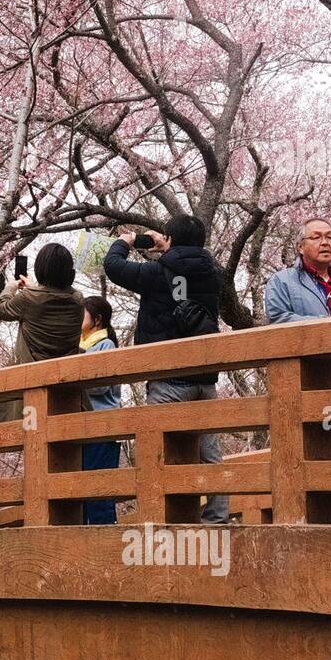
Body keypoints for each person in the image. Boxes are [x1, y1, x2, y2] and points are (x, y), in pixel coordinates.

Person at [103, 214, 229, 524]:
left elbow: (114, 267)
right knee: (208, 452)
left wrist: (126, 241)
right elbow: (184, 274)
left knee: (156, 451)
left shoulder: (158, 273)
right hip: (204, 377)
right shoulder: (212, 272)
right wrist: (168, 248)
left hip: (169, 380)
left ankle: (165, 520)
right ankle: (217, 518)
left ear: (170, 240)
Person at [265, 217, 331, 470]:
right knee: (309, 462)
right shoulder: (282, 281)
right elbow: (278, 320)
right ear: (300, 246)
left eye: (330, 237)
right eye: (317, 237)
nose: (325, 243)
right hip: (304, 384)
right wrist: (324, 324)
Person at [0, 242, 85, 423]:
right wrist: (33, 287)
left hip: (33, 381)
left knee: (34, 433)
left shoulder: (29, 299)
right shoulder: (78, 301)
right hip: (65, 385)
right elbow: (49, 297)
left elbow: (1, 310)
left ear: (41, 269)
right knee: (65, 437)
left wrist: (11, 287)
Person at [79, 295, 122, 524]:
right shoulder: (81, 346)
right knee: (84, 491)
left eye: (81, 314)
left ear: (96, 320)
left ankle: (105, 542)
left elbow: (100, 385)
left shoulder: (106, 345)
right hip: (87, 428)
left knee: (100, 491)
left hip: (103, 427)